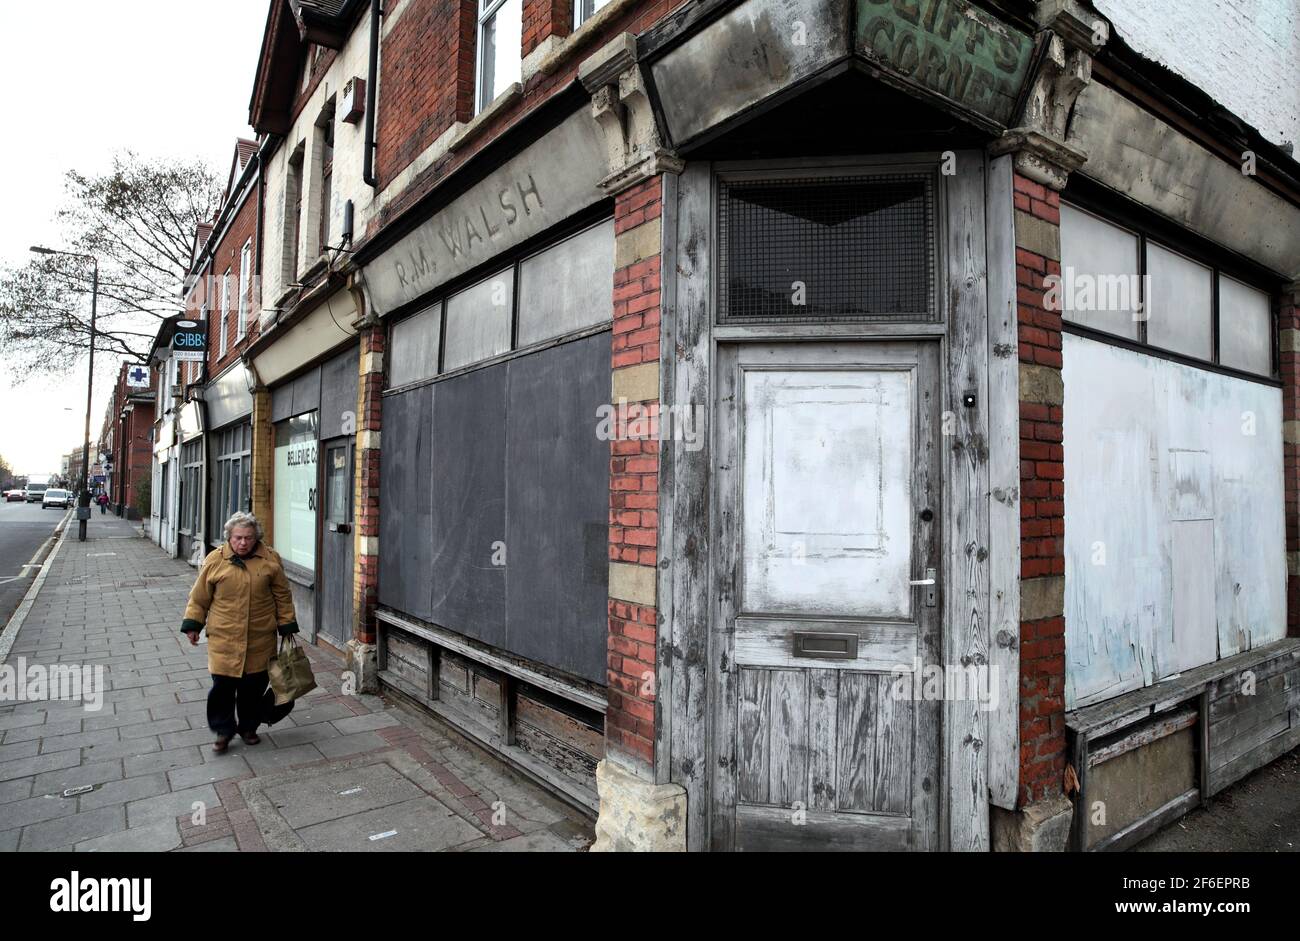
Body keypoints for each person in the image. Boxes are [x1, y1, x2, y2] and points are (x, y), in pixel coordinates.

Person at [180, 512, 300, 754]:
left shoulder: (270, 560)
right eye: (238, 538)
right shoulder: (216, 559)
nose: (243, 543)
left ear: (256, 538)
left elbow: (282, 595)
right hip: (224, 637)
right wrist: (193, 625)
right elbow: (199, 597)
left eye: (248, 537)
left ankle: (248, 727)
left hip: (260, 637)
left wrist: (286, 625)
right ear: (229, 537)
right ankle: (223, 731)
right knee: (222, 688)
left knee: (253, 689)